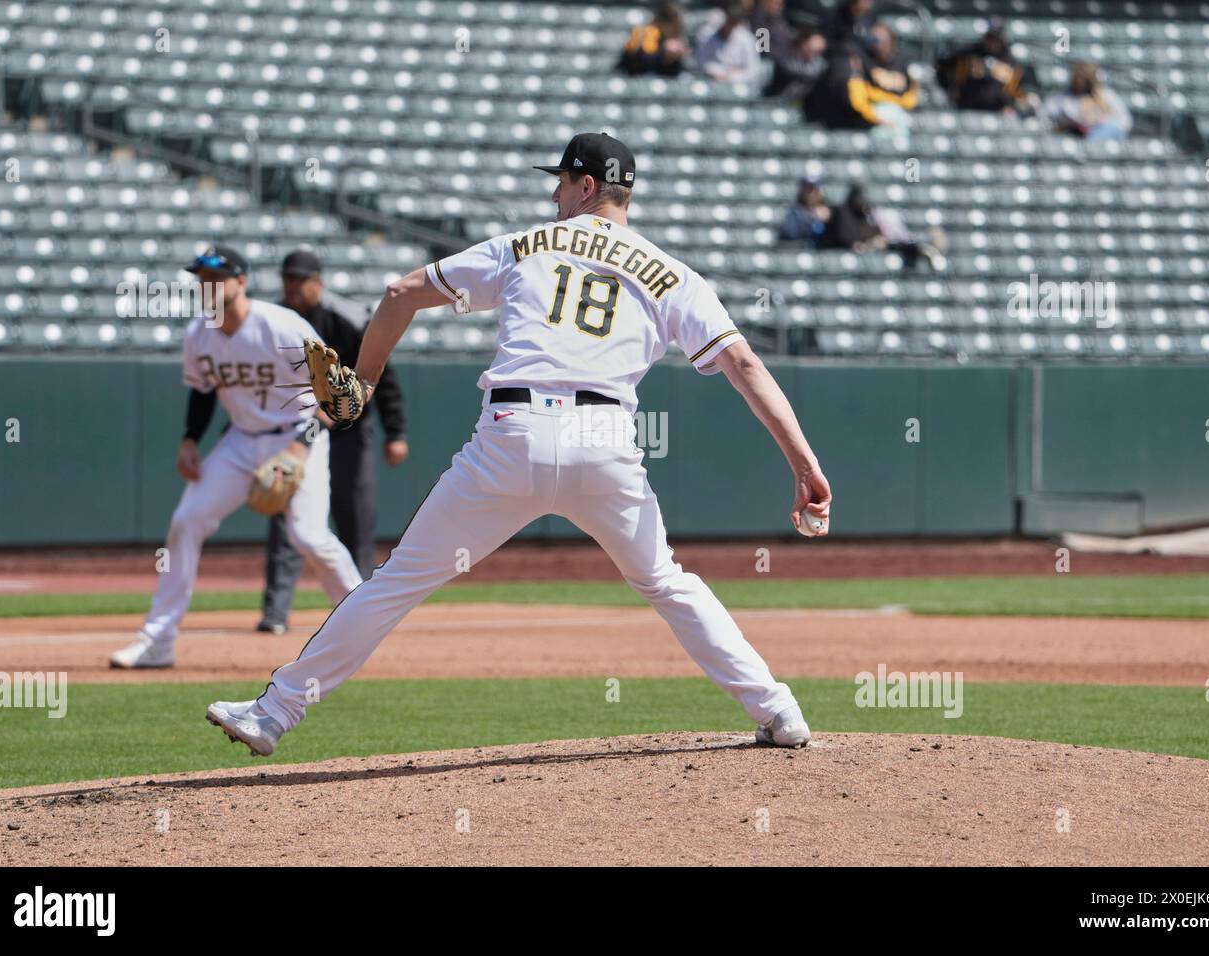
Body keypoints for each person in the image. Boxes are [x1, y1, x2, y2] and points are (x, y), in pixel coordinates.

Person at [205, 132, 832, 756]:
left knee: (396, 582)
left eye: (561, 181)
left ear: (588, 187)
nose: (554, 193)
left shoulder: (523, 245)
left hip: (512, 436)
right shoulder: (671, 272)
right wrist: (804, 464)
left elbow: (399, 294)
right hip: (605, 443)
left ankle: (274, 712)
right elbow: (744, 363)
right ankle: (777, 709)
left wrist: (363, 383)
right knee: (667, 582)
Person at [110, 245, 362, 669]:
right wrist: (189, 440)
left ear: (240, 282)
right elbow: (204, 389)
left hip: (298, 435)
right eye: (201, 279)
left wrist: (301, 447)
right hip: (241, 441)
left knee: (308, 535)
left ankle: (363, 620)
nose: (206, 286)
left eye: (215, 279)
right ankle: (157, 641)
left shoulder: (283, 328)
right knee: (186, 522)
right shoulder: (199, 334)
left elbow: (337, 398)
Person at [256, 249, 409, 635]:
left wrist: (397, 432)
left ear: (318, 282)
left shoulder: (347, 319)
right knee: (288, 518)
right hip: (297, 435)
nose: (292, 286)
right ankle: (275, 612)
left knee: (353, 517)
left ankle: (359, 609)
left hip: (349, 433)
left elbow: (380, 376)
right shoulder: (275, 322)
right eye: (287, 279)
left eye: (299, 279)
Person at [803, 23, 918, 132]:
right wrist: (878, 118)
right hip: (865, 120)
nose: (877, 44)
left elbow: (911, 98)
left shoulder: (902, 63)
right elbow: (857, 102)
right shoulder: (859, 59)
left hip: (895, 113)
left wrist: (890, 103)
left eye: (881, 40)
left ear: (891, 41)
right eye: (873, 39)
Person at [823, 184, 946, 269]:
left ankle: (921, 247)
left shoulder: (868, 214)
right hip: (867, 246)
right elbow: (847, 236)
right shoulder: (844, 213)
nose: (863, 203)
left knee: (895, 242)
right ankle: (920, 247)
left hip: (882, 242)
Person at [935, 19, 1035, 114]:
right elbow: (941, 67)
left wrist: (1011, 105)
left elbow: (1019, 87)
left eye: (995, 39)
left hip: (998, 111)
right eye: (989, 38)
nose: (991, 43)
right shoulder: (969, 53)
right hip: (967, 107)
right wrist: (949, 89)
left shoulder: (1010, 60)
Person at [1043, 62, 1131, 141]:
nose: (1078, 81)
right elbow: (1046, 116)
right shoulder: (1062, 97)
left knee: (1106, 130)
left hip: (1101, 135)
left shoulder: (1106, 95)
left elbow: (1125, 122)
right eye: (1077, 77)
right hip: (1072, 134)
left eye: (1082, 79)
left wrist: (1100, 121)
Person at [694, 3, 762, 86]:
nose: (729, 26)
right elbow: (702, 62)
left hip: (740, 86)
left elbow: (753, 70)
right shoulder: (707, 34)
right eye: (728, 22)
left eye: (733, 23)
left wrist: (732, 76)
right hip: (712, 83)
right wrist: (720, 72)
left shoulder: (747, 39)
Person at [617, 3, 690, 77]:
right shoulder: (645, 33)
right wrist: (663, 55)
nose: (678, 27)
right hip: (637, 76)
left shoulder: (676, 39)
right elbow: (638, 63)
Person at [763, 26, 827, 102]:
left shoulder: (819, 63)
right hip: (776, 99)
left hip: (801, 104)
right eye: (811, 49)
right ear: (803, 43)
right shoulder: (786, 56)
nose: (814, 54)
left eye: (818, 52)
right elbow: (788, 69)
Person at [777, 175, 833, 245]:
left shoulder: (830, 211)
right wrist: (812, 218)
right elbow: (791, 233)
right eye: (809, 189)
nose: (812, 193)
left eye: (815, 189)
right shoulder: (793, 212)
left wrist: (829, 221)